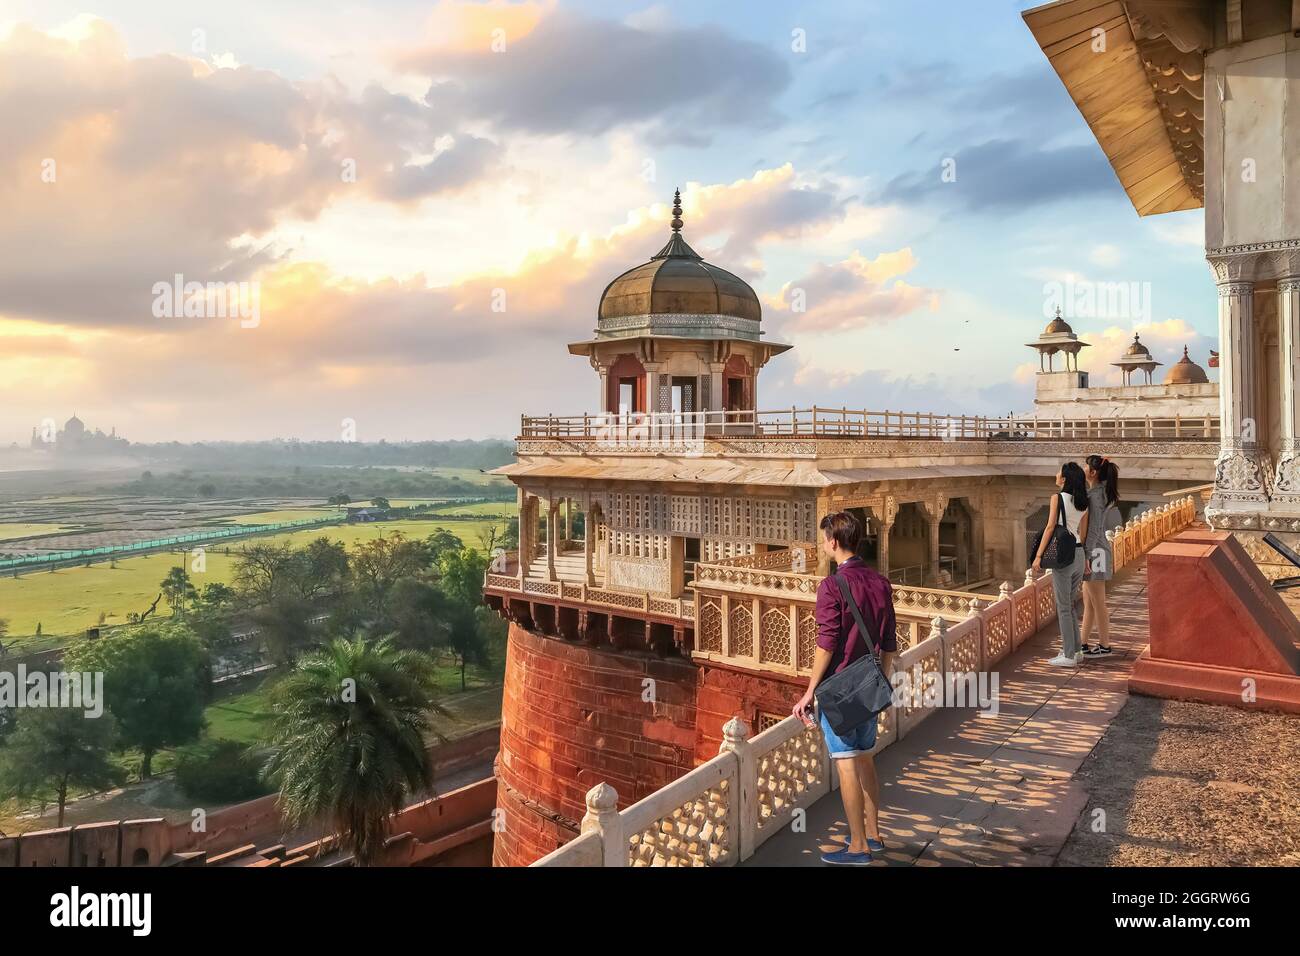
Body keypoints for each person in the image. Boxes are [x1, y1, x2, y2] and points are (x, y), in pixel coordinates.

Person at [793, 511, 897, 865]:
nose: (824, 545)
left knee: (846, 763)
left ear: (834, 542)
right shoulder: (881, 583)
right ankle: (874, 834)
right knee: (866, 759)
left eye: (825, 539)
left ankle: (857, 846)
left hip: (840, 689)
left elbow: (827, 642)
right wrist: (881, 683)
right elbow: (888, 643)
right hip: (870, 686)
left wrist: (810, 691)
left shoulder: (832, 586)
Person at [1031, 462, 1090, 667]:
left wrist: (1038, 556)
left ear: (1064, 479)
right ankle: (1076, 651)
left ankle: (1068, 655)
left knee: (1063, 607)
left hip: (1064, 558)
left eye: (1059, 473)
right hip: (1080, 554)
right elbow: (1083, 535)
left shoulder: (1057, 498)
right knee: (1071, 605)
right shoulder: (1083, 502)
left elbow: (1049, 528)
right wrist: (1087, 560)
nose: (1056, 474)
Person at [1080, 454, 1121, 657]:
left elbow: (1094, 528)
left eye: (1085, 467)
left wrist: (1086, 555)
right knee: (1090, 602)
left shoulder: (1095, 497)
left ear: (1093, 472)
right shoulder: (1099, 492)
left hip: (1094, 552)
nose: (1083, 469)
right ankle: (1083, 644)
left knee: (1098, 602)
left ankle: (1105, 645)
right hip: (1097, 550)